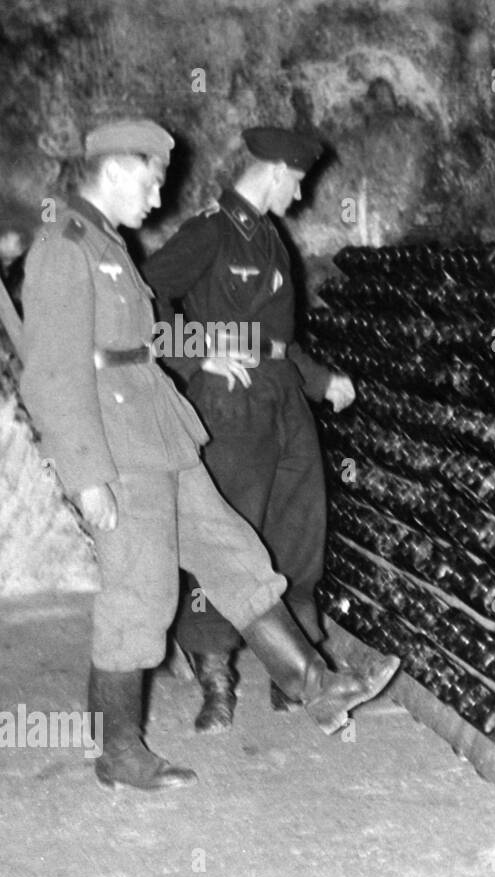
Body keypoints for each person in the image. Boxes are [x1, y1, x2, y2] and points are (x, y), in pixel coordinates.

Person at [18, 118, 399, 792]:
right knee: (142, 595)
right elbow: (52, 373)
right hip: (115, 443)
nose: (158, 194)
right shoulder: (64, 247)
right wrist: (86, 476)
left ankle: (315, 685)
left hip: (163, 431)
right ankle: (119, 751)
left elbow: (142, 334)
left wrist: (203, 348)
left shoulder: (109, 242)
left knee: (235, 553)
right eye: (150, 177)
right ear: (112, 171)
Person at [143, 126, 356, 734]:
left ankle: (300, 677)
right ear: (275, 172)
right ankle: (217, 683)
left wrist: (320, 381)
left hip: (283, 398)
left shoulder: (270, 237)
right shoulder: (209, 230)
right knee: (228, 539)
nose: (300, 194)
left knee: (297, 529)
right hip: (230, 406)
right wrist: (195, 350)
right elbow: (145, 295)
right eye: (298, 182)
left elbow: (277, 339)